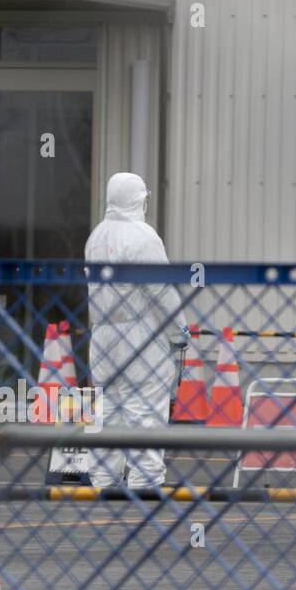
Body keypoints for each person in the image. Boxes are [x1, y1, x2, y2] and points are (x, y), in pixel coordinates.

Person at [84, 172, 186, 488]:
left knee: (108, 414)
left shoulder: (97, 236)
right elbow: (162, 292)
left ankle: (102, 481)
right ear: (139, 199)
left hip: (102, 337)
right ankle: (145, 485)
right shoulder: (143, 236)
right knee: (145, 415)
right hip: (141, 337)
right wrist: (179, 333)